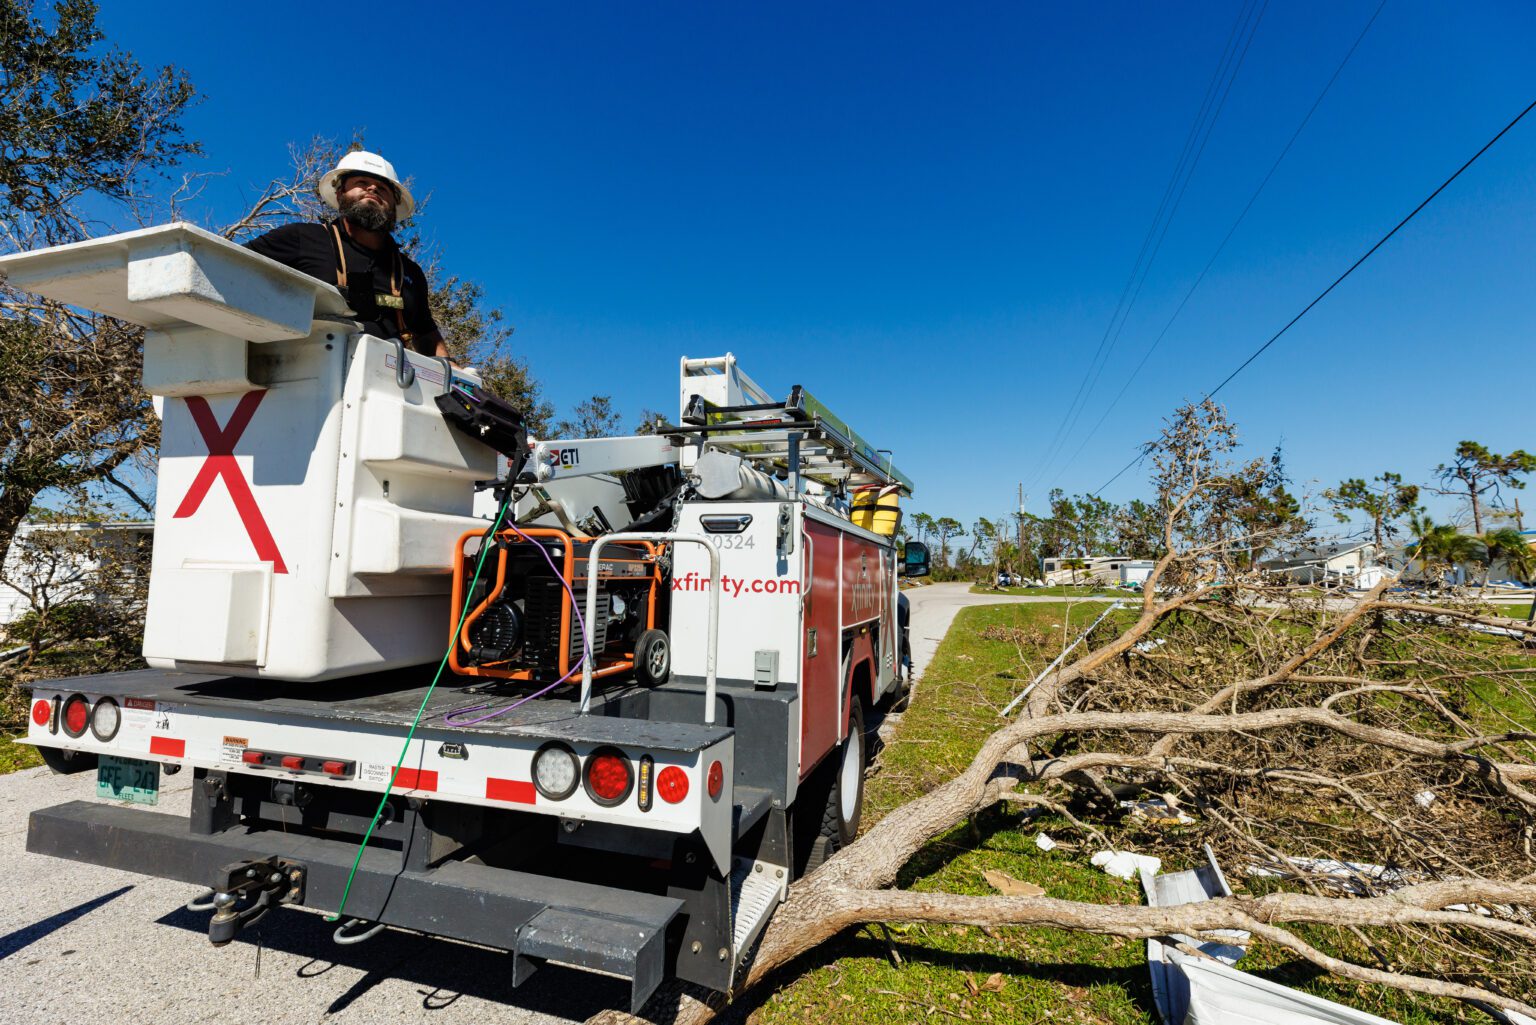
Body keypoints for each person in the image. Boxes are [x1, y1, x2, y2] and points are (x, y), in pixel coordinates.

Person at [245, 151, 448, 358]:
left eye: (383, 188)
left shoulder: (408, 272)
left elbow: (426, 334)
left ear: (394, 205)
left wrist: (457, 378)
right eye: (362, 182)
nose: (372, 188)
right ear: (341, 193)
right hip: (302, 373)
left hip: (385, 381)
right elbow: (232, 268)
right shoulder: (300, 238)